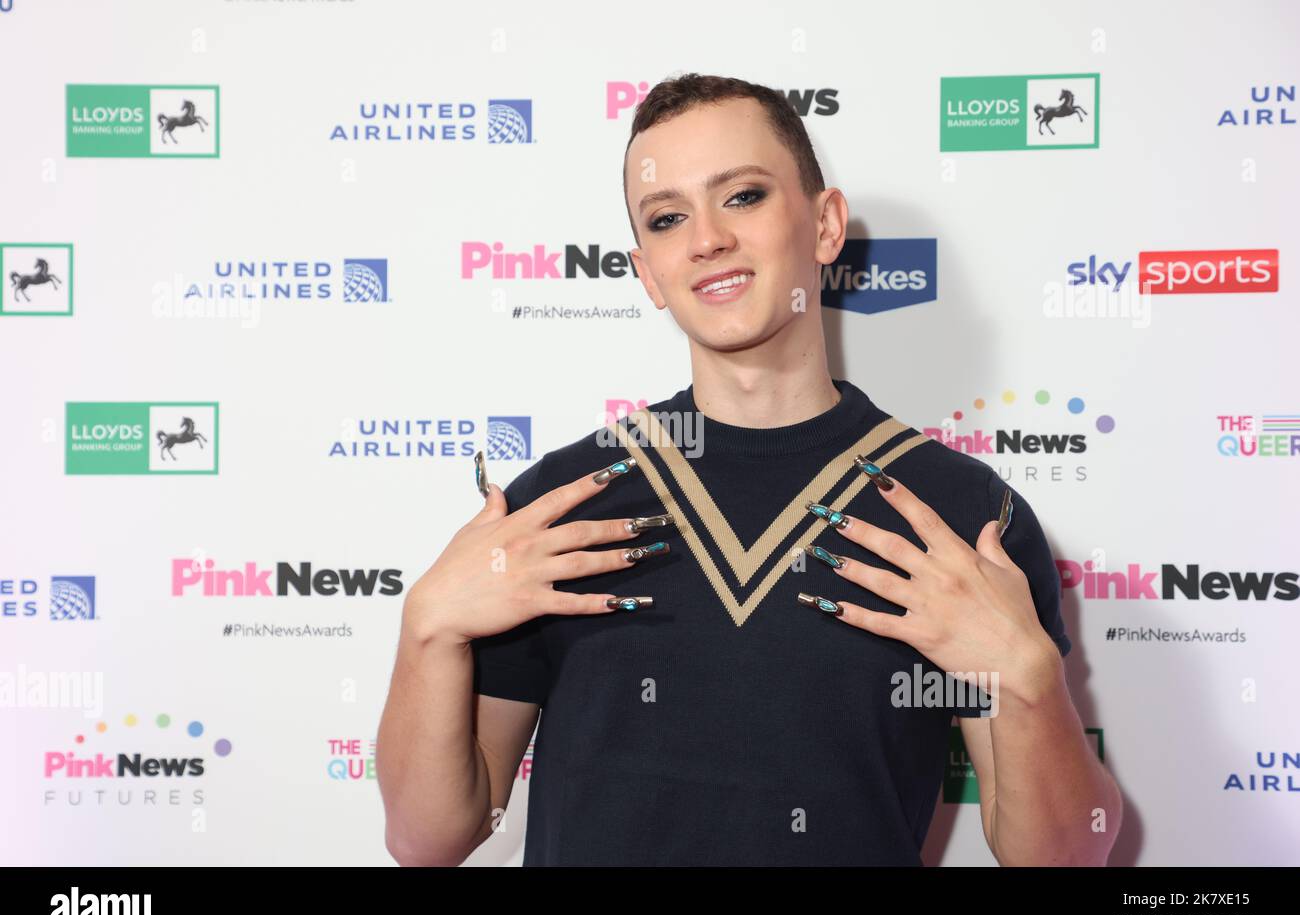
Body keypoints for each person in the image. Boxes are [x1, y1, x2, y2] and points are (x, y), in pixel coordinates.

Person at [377, 72, 1122, 866]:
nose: (706, 240)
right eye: (668, 218)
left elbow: (1064, 857)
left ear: (826, 224)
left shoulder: (959, 512)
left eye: (742, 197)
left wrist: (1027, 675)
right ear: (648, 274)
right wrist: (427, 626)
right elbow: (430, 839)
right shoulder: (558, 508)